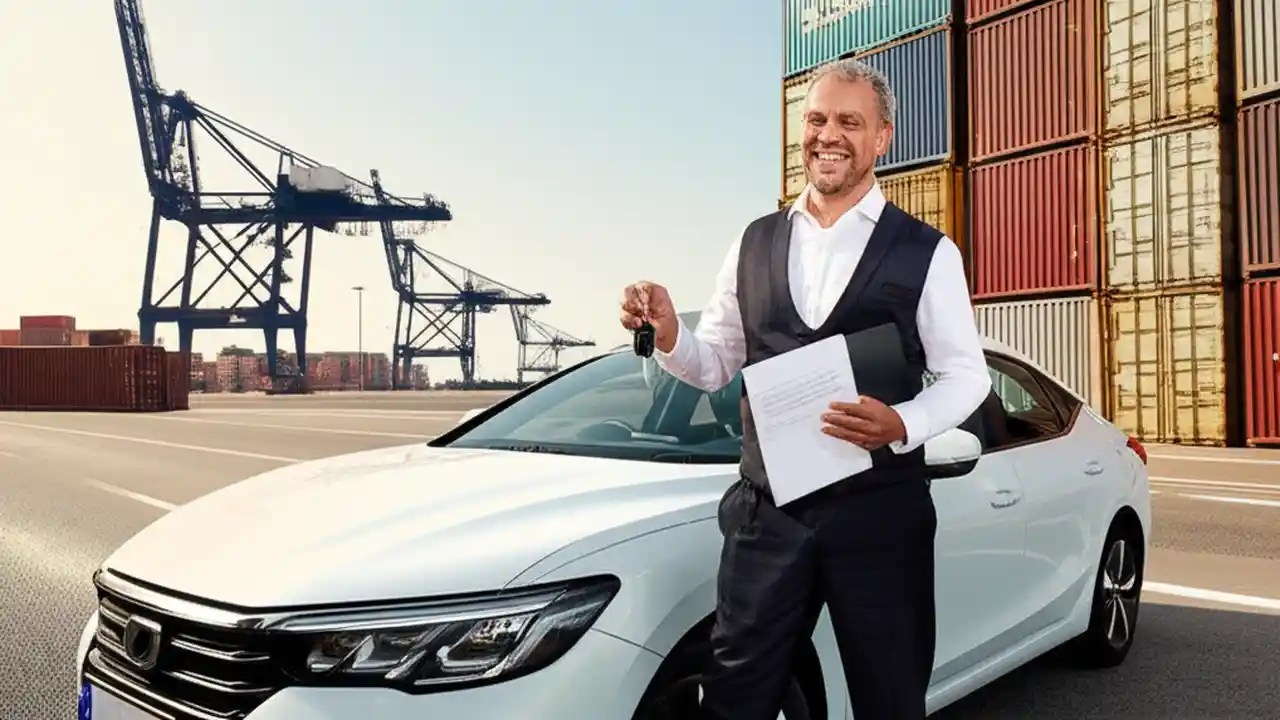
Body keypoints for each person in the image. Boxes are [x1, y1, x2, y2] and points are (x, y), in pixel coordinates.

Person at [618, 58, 991, 720]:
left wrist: (902, 423)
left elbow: (967, 374)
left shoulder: (928, 252)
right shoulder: (753, 241)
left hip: (880, 518)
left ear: (882, 138)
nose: (828, 135)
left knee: (890, 699)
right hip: (769, 519)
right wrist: (673, 335)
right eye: (817, 119)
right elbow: (716, 365)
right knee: (735, 698)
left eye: (850, 121)